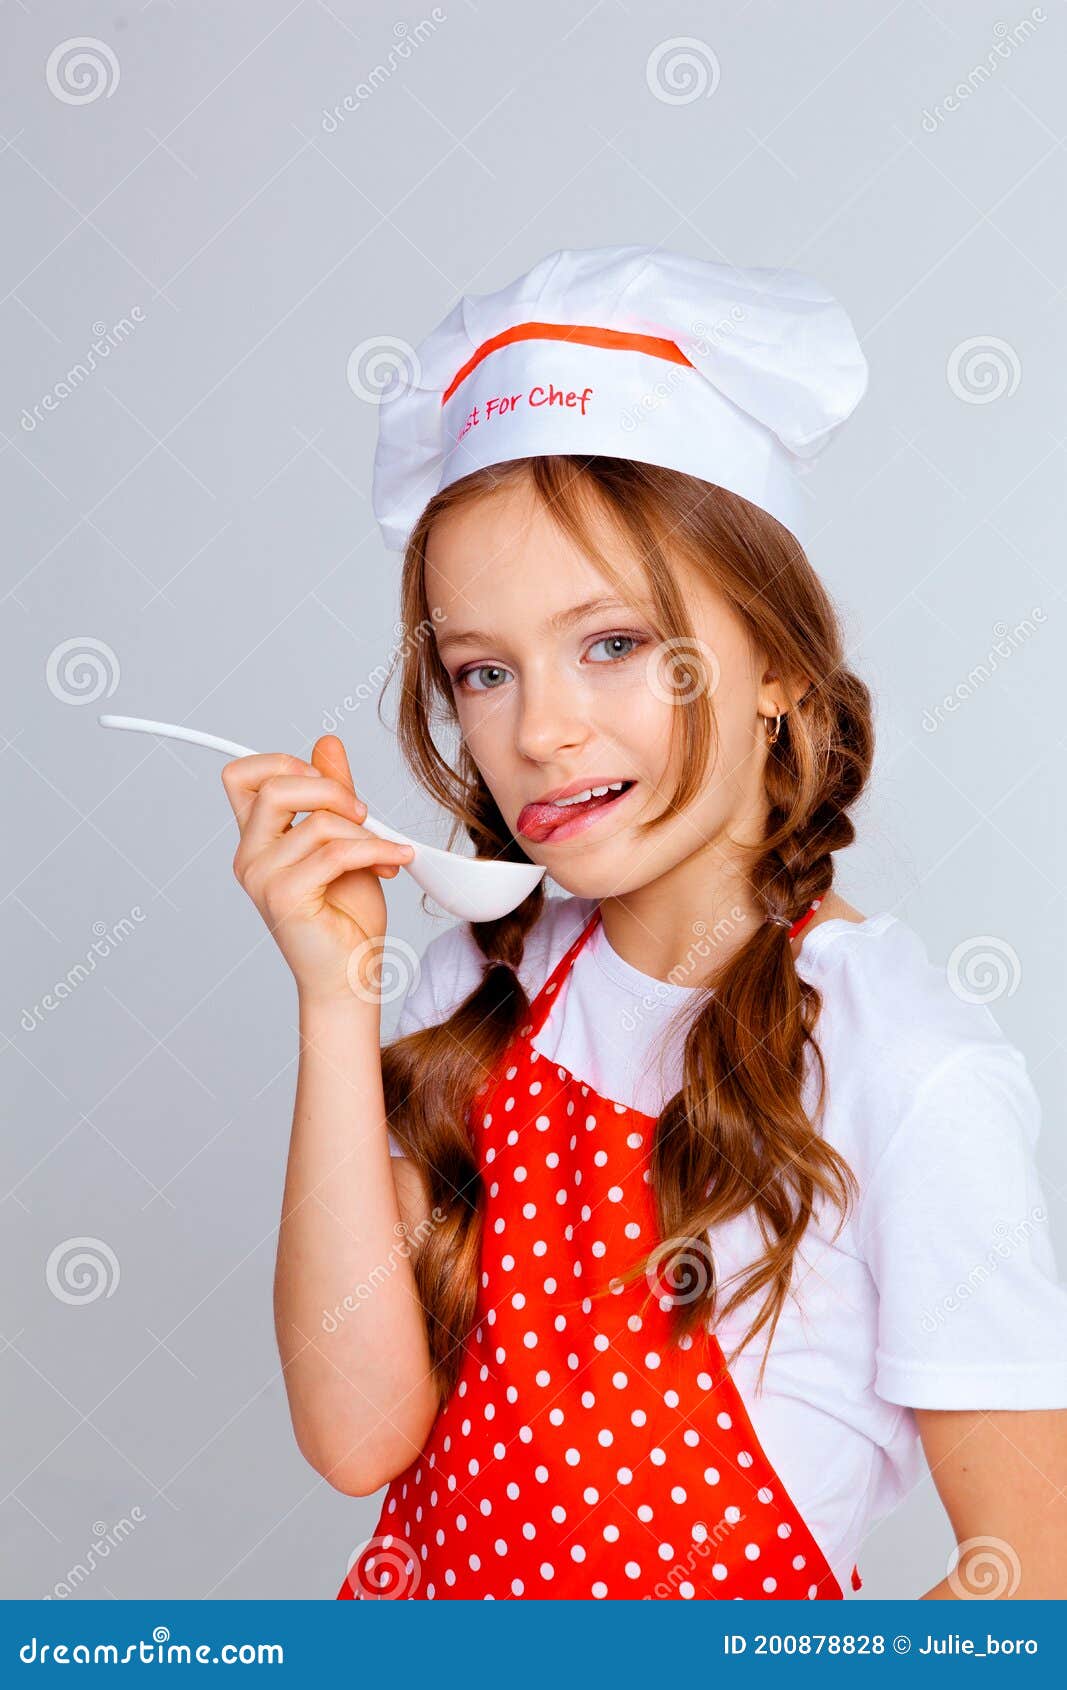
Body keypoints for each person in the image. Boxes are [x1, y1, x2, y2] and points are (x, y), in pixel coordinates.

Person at [223, 247, 1067, 1601]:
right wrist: (337, 996)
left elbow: (1030, 1575)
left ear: (780, 666)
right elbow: (357, 1431)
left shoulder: (905, 1064)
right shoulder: (473, 984)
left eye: (612, 642)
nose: (539, 731)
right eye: (482, 671)